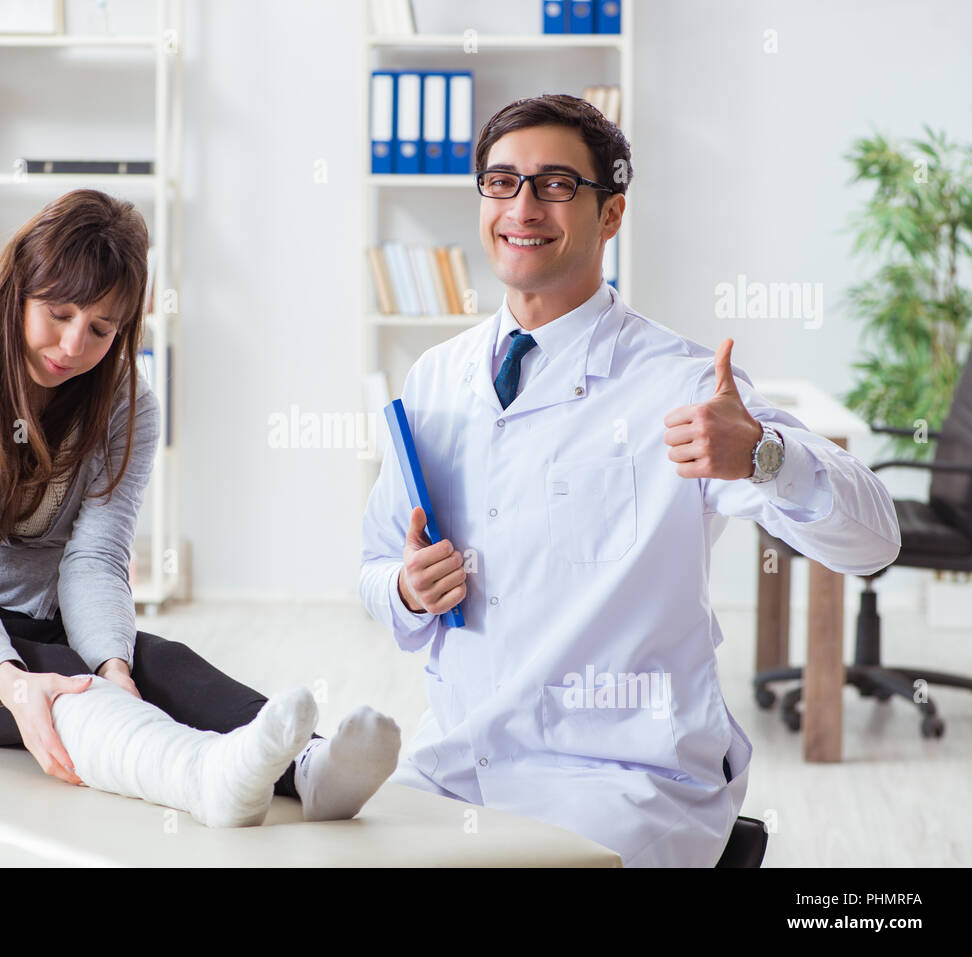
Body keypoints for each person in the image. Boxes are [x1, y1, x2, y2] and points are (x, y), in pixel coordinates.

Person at [359, 94, 901, 865]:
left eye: (554, 184)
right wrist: (410, 589)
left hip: (625, 779)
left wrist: (765, 457)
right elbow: (377, 569)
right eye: (502, 181)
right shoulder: (435, 378)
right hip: (459, 768)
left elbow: (874, 539)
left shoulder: (682, 385)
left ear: (611, 215)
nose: (523, 205)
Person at [0, 188, 400, 827]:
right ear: (16, 289)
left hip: (38, 618)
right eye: (57, 313)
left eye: (101, 329)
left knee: (155, 661)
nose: (73, 344)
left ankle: (312, 767)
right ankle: (202, 778)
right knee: (61, 678)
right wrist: (13, 683)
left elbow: (95, 559)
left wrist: (115, 663)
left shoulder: (126, 407)